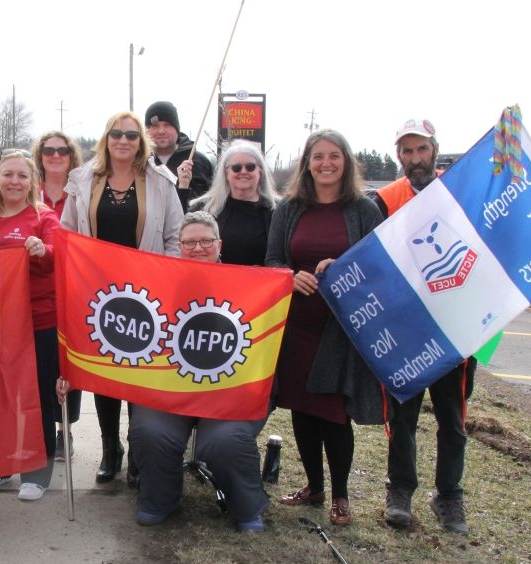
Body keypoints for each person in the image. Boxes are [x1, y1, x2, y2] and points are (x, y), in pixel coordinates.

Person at [371, 118, 531, 535]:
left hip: (459, 326)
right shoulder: (384, 200)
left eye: (421, 149)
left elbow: (517, 218)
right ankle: (400, 490)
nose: (415, 158)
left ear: (434, 150)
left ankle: (449, 496)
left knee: (452, 419)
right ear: (398, 156)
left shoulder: (466, 187)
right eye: (407, 151)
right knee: (402, 417)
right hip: (408, 330)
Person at [265, 129, 386, 526]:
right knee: (302, 407)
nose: (326, 163)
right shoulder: (289, 208)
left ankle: (341, 495)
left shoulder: (364, 209)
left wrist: (344, 267)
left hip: (341, 327)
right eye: (318, 156)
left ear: (346, 162)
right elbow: (273, 259)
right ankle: (314, 487)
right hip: (297, 325)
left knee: (333, 411)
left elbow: (380, 265)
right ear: (307, 164)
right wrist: (288, 276)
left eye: (334, 155)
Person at [126, 211, 270, 530]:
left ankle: (246, 507)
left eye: (205, 241)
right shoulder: (160, 283)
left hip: (230, 391)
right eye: (189, 242)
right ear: (178, 246)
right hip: (172, 388)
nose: (198, 248)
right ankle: (160, 499)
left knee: (226, 440)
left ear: (219, 245)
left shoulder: (249, 282)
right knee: (150, 430)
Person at [62, 111, 183, 485]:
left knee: (137, 371)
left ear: (140, 141)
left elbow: (175, 237)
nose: (123, 141)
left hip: (147, 294)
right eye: (116, 134)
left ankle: (137, 452)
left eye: (131, 135)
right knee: (105, 372)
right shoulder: (83, 180)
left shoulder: (161, 181)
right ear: (106, 138)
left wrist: (164, 279)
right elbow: (68, 232)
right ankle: (110, 448)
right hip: (97, 293)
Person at [0, 149, 61, 501]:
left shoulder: (44, 217)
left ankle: (37, 472)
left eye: (22, 175)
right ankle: (0, 466)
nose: (14, 181)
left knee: (38, 397)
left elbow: (60, 255)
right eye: (7, 174)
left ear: (33, 182)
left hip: (39, 322)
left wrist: (43, 250)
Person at [32, 130, 84, 458]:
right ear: (40, 156)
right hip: (38, 289)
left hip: (73, 287)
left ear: (71, 156)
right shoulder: (28, 190)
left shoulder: (80, 191)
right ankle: (43, 429)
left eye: (62, 151)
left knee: (67, 361)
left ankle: (65, 428)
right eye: (48, 150)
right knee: (42, 364)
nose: (55, 156)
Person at [188, 139, 276, 266]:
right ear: (226, 173)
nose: (243, 171)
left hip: (263, 278)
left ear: (260, 171)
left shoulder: (277, 211)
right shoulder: (202, 208)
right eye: (236, 168)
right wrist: (183, 188)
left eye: (250, 167)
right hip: (215, 278)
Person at [145, 100, 214, 211]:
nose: (161, 131)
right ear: (147, 131)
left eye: (167, 125)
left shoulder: (199, 162)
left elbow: (210, 203)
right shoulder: (139, 162)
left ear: (177, 129)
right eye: (155, 126)